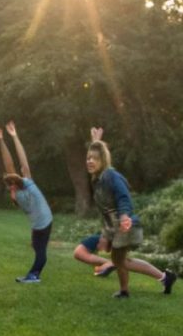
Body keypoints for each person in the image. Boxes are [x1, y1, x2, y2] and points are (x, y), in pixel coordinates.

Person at [73, 128, 176, 300]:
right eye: (88, 158)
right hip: (115, 226)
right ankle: (162, 279)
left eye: (94, 158)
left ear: (102, 160)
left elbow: (123, 197)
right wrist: (95, 141)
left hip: (124, 223)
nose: (89, 161)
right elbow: (105, 211)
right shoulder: (99, 179)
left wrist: (124, 216)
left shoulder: (110, 175)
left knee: (120, 260)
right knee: (121, 260)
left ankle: (127, 290)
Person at [0, 121, 53, 284]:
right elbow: (14, 164)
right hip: (41, 221)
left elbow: (17, 162)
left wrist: (8, 138)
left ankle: (34, 275)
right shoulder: (23, 188)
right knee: (36, 245)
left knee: (40, 249)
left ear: (12, 185)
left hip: (44, 221)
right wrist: (9, 137)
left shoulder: (26, 186)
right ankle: (34, 274)